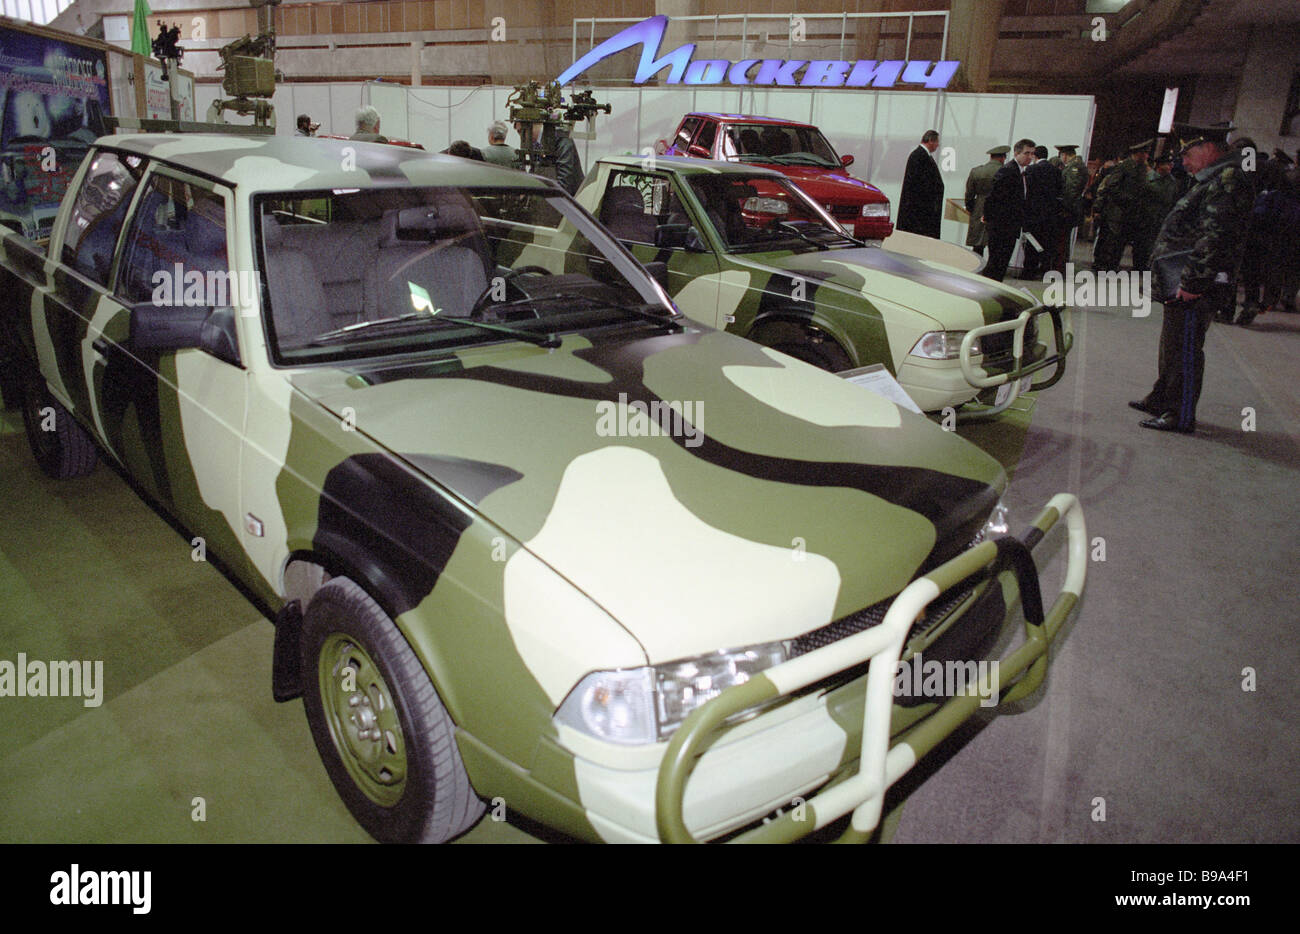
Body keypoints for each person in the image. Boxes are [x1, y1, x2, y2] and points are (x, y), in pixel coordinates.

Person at [1130, 124, 1254, 433]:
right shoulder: (1214, 178)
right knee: (1172, 344)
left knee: (1185, 347)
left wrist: (1194, 283)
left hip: (1195, 283)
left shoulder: (1227, 181)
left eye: (1188, 154)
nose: (1182, 162)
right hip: (1182, 278)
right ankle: (1162, 397)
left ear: (1209, 149)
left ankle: (1180, 414)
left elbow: (1215, 238)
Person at [981, 138, 1035, 281]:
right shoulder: (1008, 171)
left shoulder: (1020, 172)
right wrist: (989, 218)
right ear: (1017, 153)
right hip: (1001, 226)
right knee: (996, 264)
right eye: (1027, 153)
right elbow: (993, 197)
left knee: (1001, 264)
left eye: (1032, 154)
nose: (1030, 157)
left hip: (1009, 226)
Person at [1093, 140, 1152, 271]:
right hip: (1117, 212)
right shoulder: (1124, 167)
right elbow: (1111, 186)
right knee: (1111, 241)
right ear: (1138, 154)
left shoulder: (1142, 168)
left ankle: (1112, 267)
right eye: (1145, 153)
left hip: (1131, 213)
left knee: (1120, 243)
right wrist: (1127, 198)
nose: (1147, 156)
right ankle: (1103, 267)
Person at [1023, 145, 1063, 279]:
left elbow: (1026, 191)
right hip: (1049, 215)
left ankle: (1029, 272)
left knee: (1031, 244)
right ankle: (1044, 271)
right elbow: (1059, 192)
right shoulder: (1056, 171)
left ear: (1035, 156)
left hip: (1033, 213)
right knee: (1046, 244)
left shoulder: (1031, 169)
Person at [514, 119, 584, 195]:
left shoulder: (560, 137)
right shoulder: (535, 144)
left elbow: (564, 181)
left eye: (521, 131)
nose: (521, 137)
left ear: (531, 126)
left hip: (571, 198)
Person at [896, 129, 944, 238]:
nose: (938, 146)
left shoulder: (922, 156)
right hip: (919, 212)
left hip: (920, 211)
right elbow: (919, 186)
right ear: (931, 141)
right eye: (937, 142)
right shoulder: (919, 156)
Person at [964, 145, 1007, 257]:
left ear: (991, 157)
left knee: (978, 243)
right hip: (998, 208)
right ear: (1003, 158)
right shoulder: (1005, 172)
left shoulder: (976, 171)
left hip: (979, 206)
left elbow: (969, 194)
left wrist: (971, 208)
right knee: (996, 243)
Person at [1055, 145, 1088, 270]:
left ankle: (1059, 268)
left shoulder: (1075, 167)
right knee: (1063, 240)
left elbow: (1071, 191)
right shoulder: (1075, 165)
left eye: (1061, 156)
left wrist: (1064, 208)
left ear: (1065, 155)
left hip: (1068, 210)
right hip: (1070, 208)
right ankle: (1060, 267)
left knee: (1062, 241)